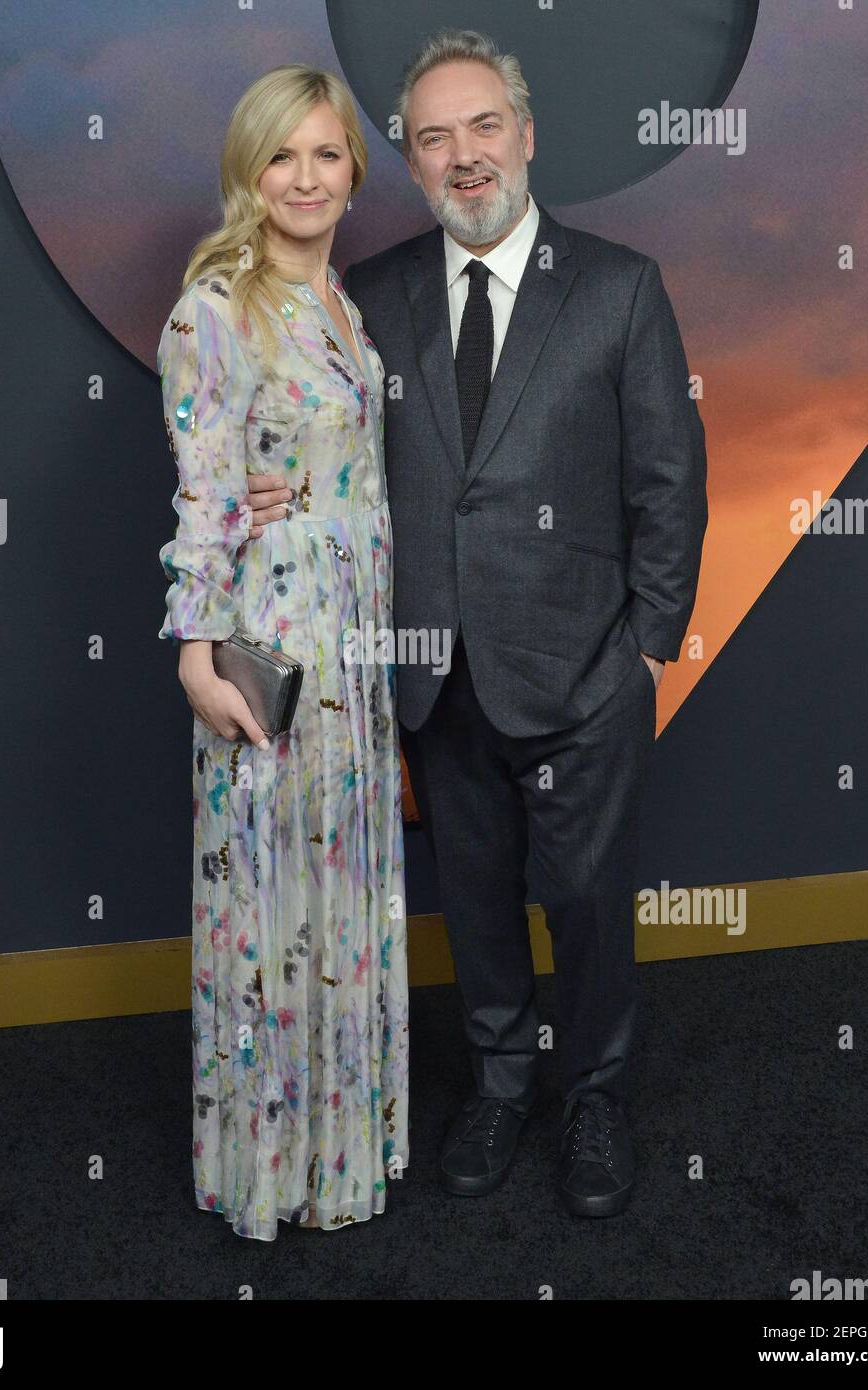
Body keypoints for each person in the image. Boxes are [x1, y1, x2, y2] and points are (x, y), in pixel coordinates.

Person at [247, 28, 707, 1217]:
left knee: (589, 907)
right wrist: (274, 482)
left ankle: (593, 1096)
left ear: (525, 134)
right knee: (475, 898)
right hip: (430, 673)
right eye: (432, 136)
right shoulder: (373, 297)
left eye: (481, 126)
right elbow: (329, 452)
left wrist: (643, 650)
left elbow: (669, 481)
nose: (461, 156)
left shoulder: (617, 288)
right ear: (405, 160)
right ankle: (501, 1082)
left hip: (583, 675)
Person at [156, 64, 409, 1241]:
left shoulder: (344, 306)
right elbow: (205, 498)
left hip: (353, 646)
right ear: (246, 174)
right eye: (280, 156)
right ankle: (270, 1163)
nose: (304, 177)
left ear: (355, 168)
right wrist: (196, 656)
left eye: (325, 153)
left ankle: (343, 1146)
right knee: (272, 896)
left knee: (341, 885)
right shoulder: (215, 307)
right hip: (275, 638)